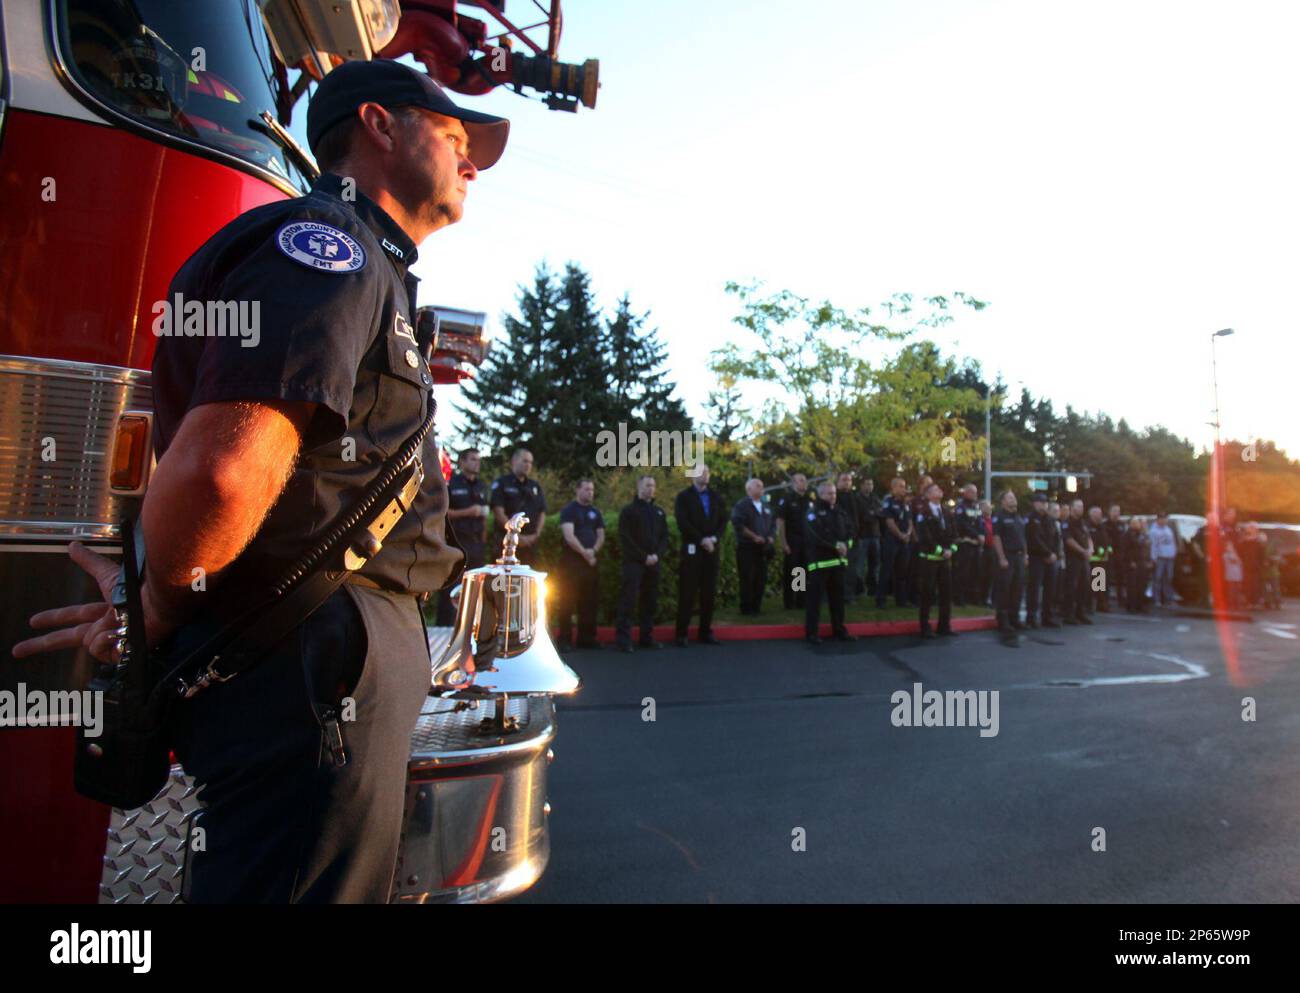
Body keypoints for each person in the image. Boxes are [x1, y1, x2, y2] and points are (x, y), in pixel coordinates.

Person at [14, 59, 510, 903]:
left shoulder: (367, 265)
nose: (471, 164)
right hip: (311, 670)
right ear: (378, 127)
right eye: (457, 138)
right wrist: (158, 610)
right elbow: (219, 473)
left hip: (327, 663)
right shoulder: (325, 249)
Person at [674, 463, 726, 646]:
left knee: (708, 593)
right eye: (701, 472)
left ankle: (705, 632)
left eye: (707, 471)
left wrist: (714, 539)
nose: (705, 475)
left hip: (712, 550)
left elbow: (723, 520)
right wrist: (701, 539)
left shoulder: (716, 497)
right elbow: (683, 522)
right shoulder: (683, 497)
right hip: (692, 550)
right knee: (687, 592)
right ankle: (681, 633)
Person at [615, 475, 669, 652]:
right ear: (639, 487)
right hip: (633, 563)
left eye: (653, 485)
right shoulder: (628, 511)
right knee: (628, 601)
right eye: (647, 485)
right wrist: (643, 556)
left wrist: (656, 555)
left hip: (654, 562)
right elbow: (625, 538)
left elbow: (664, 537)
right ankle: (624, 640)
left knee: (650, 601)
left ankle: (646, 637)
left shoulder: (658, 512)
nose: (650, 489)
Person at [437, 447, 489, 625]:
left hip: (476, 546)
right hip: (456, 542)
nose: (477, 463)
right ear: (462, 462)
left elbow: (483, 516)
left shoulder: (482, 486)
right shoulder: (452, 483)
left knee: (476, 588)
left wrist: (483, 538)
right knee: (452, 589)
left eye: (478, 459)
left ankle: (472, 627)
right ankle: (446, 628)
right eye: (473, 459)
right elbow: (443, 512)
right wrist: (468, 512)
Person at [803, 480, 856, 645]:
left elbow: (851, 531)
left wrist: (846, 545)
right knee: (815, 600)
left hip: (838, 563)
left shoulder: (840, 511)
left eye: (834, 493)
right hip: (820, 563)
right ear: (820, 494)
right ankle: (812, 633)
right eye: (829, 493)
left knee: (838, 599)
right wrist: (835, 545)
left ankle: (839, 630)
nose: (833, 496)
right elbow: (815, 535)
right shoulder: (813, 512)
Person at [556, 479, 604, 650]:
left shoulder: (595, 512)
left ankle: (587, 638)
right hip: (571, 564)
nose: (590, 492)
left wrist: (594, 551)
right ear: (578, 490)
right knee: (567, 601)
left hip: (590, 563)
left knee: (589, 601)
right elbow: (569, 536)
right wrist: (585, 553)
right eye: (586, 489)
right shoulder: (569, 511)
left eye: (592, 489)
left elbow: (600, 535)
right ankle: (565, 640)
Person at [913, 482, 958, 639]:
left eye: (939, 488)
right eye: (935, 489)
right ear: (927, 495)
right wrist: (941, 551)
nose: (939, 491)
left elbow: (954, 534)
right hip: (930, 560)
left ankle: (944, 626)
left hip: (945, 561)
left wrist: (951, 549)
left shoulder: (947, 512)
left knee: (946, 593)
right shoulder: (923, 513)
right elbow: (925, 537)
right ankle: (925, 627)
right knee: (927, 594)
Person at [490, 448, 546, 564]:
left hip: (530, 545)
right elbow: (498, 512)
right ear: (514, 461)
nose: (528, 465)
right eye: (525, 461)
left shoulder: (535, 486)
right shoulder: (502, 483)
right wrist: (516, 536)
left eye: (530, 462)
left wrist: (536, 535)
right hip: (506, 543)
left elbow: (542, 512)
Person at [732, 477, 776, 615]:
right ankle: (746, 608)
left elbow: (773, 524)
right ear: (748, 489)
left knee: (761, 578)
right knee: (747, 578)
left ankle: (757, 607)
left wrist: (771, 537)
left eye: (762, 485)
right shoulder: (741, 506)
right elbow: (739, 525)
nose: (761, 488)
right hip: (747, 548)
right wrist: (754, 537)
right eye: (758, 485)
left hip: (762, 549)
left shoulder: (766, 506)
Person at [990, 490, 1028, 639]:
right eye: (1010, 498)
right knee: (1004, 589)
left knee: (1017, 589)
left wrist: (1025, 555)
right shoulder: (999, 517)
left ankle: (1014, 618)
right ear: (1003, 501)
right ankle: (1003, 620)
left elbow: (1022, 538)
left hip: (1019, 557)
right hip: (1007, 557)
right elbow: (996, 538)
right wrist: (1001, 558)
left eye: (1014, 497)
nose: (1014, 500)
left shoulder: (1018, 517)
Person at [776, 473, 812, 610]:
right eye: (801, 481)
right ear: (793, 484)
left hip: (806, 541)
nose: (804, 483)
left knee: (802, 571)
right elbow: (780, 521)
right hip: (792, 540)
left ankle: (800, 600)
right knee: (792, 570)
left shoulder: (809, 500)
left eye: (805, 480)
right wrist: (783, 542)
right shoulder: (787, 499)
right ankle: (789, 602)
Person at [876, 477, 914, 609]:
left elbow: (910, 521)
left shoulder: (906, 504)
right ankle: (881, 600)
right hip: (891, 540)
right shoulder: (888, 502)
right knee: (886, 570)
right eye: (900, 486)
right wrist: (900, 535)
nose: (903, 489)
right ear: (893, 488)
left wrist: (908, 534)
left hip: (904, 541)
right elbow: (889, 522)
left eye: (904, 486)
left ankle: (901, 600)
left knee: (902, 571)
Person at [1023, 492, 1060, 628]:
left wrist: (1054, 554)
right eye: (1040, 502)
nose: (1043, 505)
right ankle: (1031, 618)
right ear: (1035, 503)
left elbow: (1056, 538)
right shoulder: (1030, 519)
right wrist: (1048, 553)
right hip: (1036, 558)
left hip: (1051, 559)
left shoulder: (1050, 519)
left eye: (1045, 502)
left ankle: (1047, 617)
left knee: (1050, 590)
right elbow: (1034, 539)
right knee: (1034, 589)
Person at [1062, 499, 1094, 625]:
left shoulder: (1083, 523)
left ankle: (1080, 613)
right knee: (1071, 588)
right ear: (1072, 508)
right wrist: (1082, 551)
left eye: (1082, 506)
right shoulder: (1067, 523)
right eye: (1078, 506)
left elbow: (1089, 538)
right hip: (1073, 559)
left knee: (1084, 587)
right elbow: (1069, 540)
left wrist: (1091, 549)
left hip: (1084, 559)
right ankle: (1068, 615)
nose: (1081, 508)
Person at [953, 483, 983, 607]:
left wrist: (982, 534)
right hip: (965, 543)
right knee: (963, 572)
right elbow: (962, 524)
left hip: (976, 544)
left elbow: (980, 522)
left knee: (975, 572)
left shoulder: (976, 507)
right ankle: (959, 598)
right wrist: (977, 535)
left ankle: (972, 598)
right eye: (971, 492)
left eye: (975, 492)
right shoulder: (961, 507)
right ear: (965, 493)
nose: (974, 494)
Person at [836, 471, 865, 602]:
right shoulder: (834, 497)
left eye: (849, 480)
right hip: (838, 539)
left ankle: (849, 594)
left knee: (851, 569)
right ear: (837, 482)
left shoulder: (855, 498)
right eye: (844, 480)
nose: (847, 482)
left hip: (854, 539)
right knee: (837, 569)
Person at [857, 476, 882, 598]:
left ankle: (873, 588)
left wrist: (872, 513)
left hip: (875, 535)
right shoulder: (857, 498)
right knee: (860, 565)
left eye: (871, 484)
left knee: (875, 564)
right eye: (867, 483)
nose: (869, 486)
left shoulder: (875, 498)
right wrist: (873, 513)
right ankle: (860, 590)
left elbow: (880, 512)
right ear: (861, 485)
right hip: (862, 536)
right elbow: (862, 515)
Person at [1121, 517, 1152, 613]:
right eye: (1133, 523)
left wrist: (1148, 561)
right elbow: (1125, 550)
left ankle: (1140, 605)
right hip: (1132, 562)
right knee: (1132, 586)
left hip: (1142, 561)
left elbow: (1146, 547)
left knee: (1142, 584)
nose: (1136, 525)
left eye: (1137, 523)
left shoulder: (1141, 534)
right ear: (1130, 524)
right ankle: (1131, 606)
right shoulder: (1127, 535)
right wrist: (1130, 561)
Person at [1148, 513, 1178, 607]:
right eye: (1163, 519)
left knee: (1168, 578)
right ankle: (1157, 599)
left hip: (1169, 557)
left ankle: (1168, 599)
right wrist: (1153, 557)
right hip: (1160, 557)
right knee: (1158, 578)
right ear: (1158, 520)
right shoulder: (1153, 531)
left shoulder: (1168, 529)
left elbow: (1172, 542)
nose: (1165, 520)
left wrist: (1174, 552)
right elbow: (1153, 545)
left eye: (1165, 519)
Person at [1085, 506, 1111, 614]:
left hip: (1102, 560)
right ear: (1091, 515)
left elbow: (1106, 540)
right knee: (1093, 585)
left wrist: (1108, 550)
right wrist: (1099, 551)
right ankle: (1090, 605)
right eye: (1097, 513)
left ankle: (1101, 604)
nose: (1099, 515)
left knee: (1101, 584)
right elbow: (1090, 541)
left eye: (1100, 513)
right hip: (1093, 560)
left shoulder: (1102, 526)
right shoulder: (1087, 526)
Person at [1104, 504, 1126, 608]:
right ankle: (1102, 600)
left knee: (1120, 579)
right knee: (1104, 579)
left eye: (1118, 511)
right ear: (1109, 512)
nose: (1116, 513)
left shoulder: (1122, 524)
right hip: (1105, 556)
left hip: (1120, 555)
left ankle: (1120, 600)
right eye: (1114, 511)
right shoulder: (1104, 525)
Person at [977, 499, 997, 607]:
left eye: (989, 506)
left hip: (993, 550)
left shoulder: (994, 520)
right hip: (983, 550)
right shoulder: (979, 520)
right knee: (983, 575)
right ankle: (981, 598)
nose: (988, 508)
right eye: (985, 507)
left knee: (991, 575)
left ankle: (989, 598)